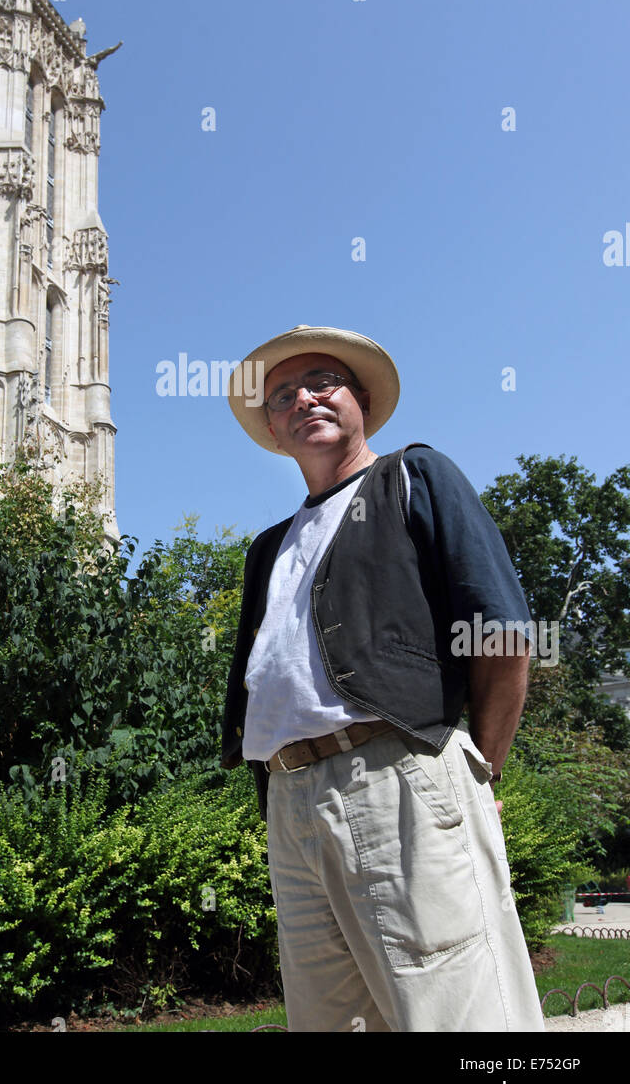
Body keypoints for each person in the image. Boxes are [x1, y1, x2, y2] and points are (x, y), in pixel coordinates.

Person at [221, 324, 545, 1032]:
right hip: (290, 803)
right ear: (274, 427)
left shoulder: (415, 476)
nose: (304, 397)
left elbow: (503, 635)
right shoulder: (267, 549)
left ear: (361, 399)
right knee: (332, 1022)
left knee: (459, 1016)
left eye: (323, 383)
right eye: (284, 394)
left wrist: (480, 771)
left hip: (400, 776)